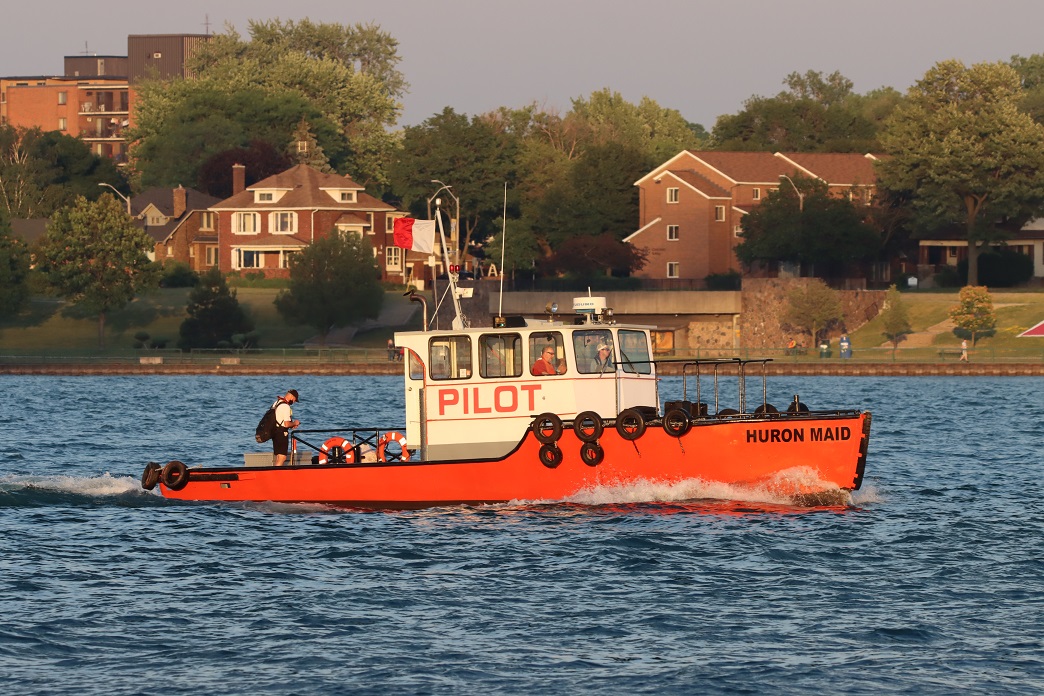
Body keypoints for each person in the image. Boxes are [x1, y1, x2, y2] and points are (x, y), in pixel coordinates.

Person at [272, 389, 301, 466]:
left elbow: (279, 420)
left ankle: (275, 473)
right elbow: (287, 424)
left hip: (275, 432)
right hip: (282, 434)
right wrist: (295, 423)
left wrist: (292, 425)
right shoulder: (285, 406)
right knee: (282, 457)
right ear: (292, 396)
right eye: (294, 400)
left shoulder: (277, 402)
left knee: (278, 457)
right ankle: (276, 474)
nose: (294, 402)